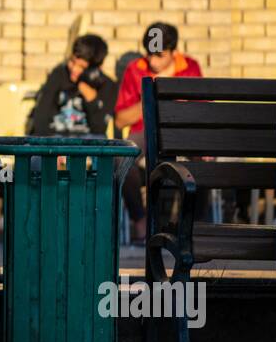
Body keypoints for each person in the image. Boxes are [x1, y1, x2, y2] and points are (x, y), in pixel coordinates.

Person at [113, 22, 203, 242]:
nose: (153, 62)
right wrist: (151, 95)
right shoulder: (135, 69)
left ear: (174, 52)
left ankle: (192, 225)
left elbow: (201, 109)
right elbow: (121, 119)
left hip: (182, 130)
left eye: (160, 56)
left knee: (204, 158)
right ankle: (140, 221)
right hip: (144, 131)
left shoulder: (190, 67)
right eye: (150, 55)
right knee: (122, 158)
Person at [26, 33, 117, 138]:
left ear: (96, 68)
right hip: (56, 141)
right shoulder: (59, 74)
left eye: (81, 67)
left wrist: (91, 99)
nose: (74, 69)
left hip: (88, 143)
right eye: (72, 62)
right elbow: (41, 117)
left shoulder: (107, 86)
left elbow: (99, 129)